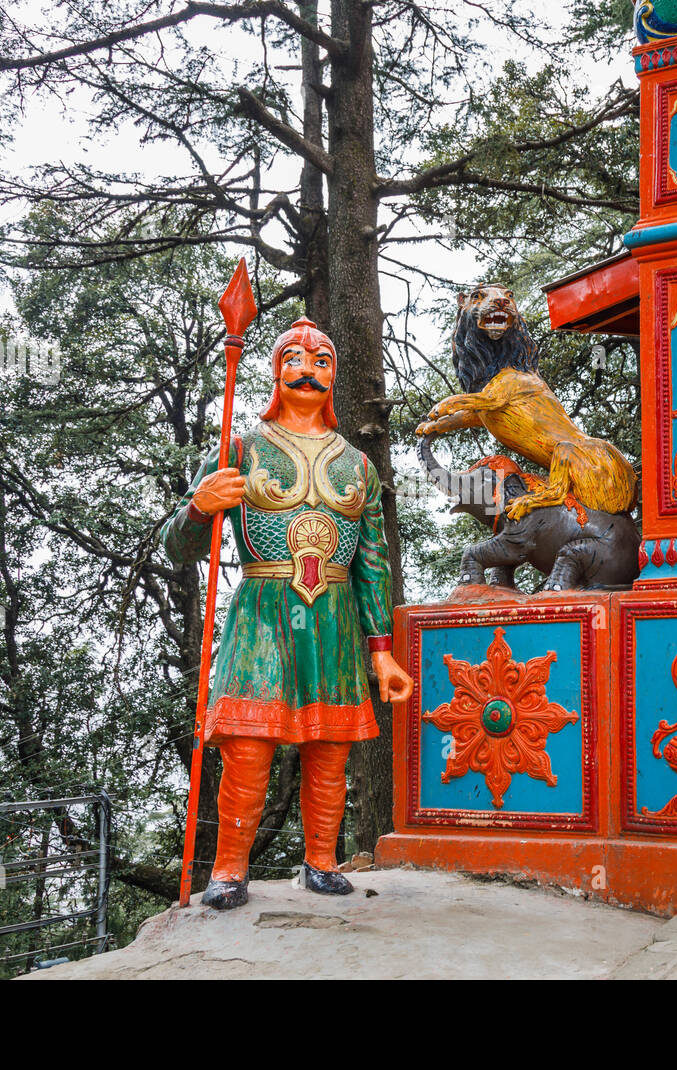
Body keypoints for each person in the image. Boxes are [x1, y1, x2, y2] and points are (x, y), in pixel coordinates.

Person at [161, 317, 413, 909]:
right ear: (276, 371)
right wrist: (199, 507)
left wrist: (383, 651)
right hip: (263, 611)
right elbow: (181, 546)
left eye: (322, 360)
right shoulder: (239, 448)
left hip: (335, 616)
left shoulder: (359, 465)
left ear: (335, 376)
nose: (309, 369)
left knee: (329, 746)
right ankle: (228, 869)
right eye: (295, 358)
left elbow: (372, 562)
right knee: (248, 744)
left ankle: (320, 860)